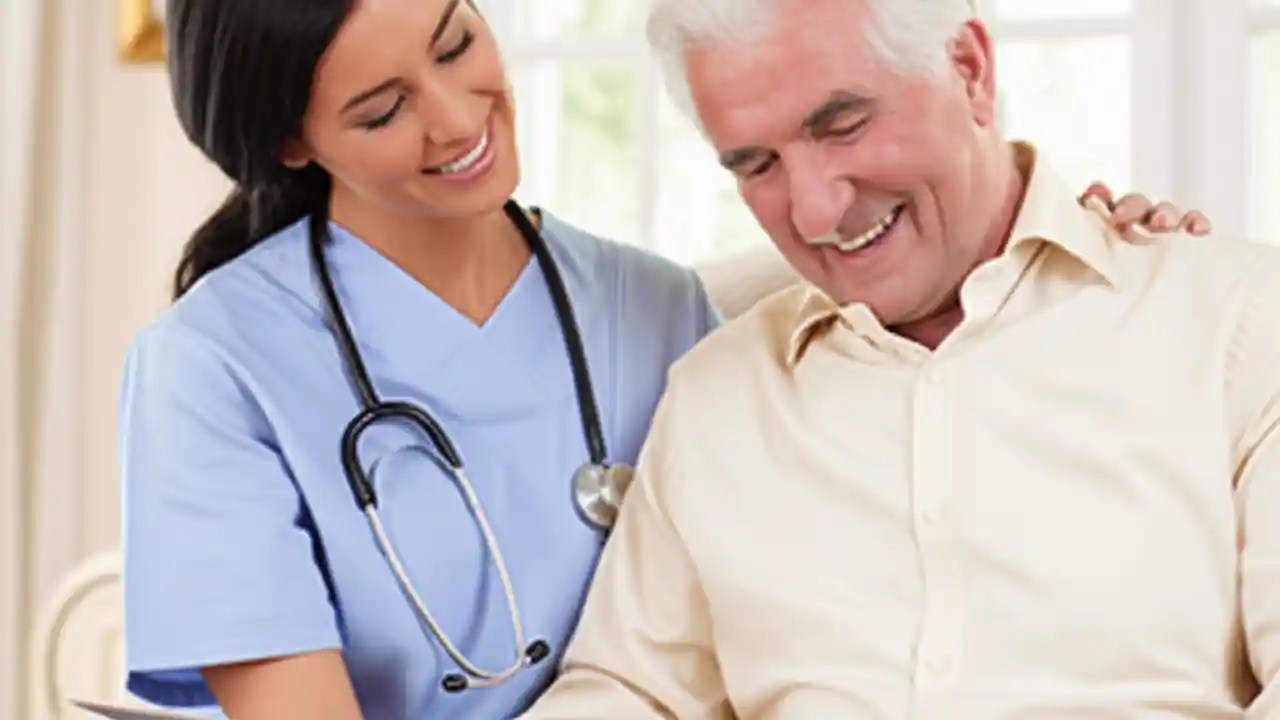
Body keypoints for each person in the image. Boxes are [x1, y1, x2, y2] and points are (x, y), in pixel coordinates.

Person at [119, 0, 1205, 718]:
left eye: (454, 44)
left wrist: (1080, 241)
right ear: (292, 143)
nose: (456, 121)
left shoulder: (659, 306)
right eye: (382, 109)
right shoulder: (213, 368)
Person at [520, 0, 1280, 718]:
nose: (815, 210)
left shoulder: (1231, 324)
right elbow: (629, 692)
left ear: (970, 69)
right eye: (757, 166)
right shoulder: (715, 398)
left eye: (843, 125)